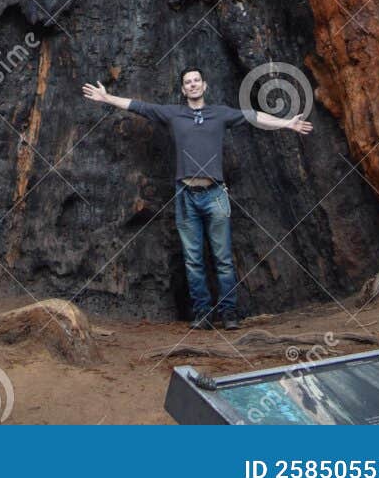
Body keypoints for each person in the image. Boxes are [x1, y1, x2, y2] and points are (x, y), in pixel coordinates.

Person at [82, 66, 313, 330]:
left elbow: (255, 116)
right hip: (185, 195)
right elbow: (139, 107)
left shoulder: (221, 113)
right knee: (193, 260)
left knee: (223, 258)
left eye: (196, 81)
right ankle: (202, 314)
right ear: (183, 89)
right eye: (187, 82)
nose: (192, 85)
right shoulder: (173, 114)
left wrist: (287, 122)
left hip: (215, 195)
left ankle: (229, 314)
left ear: (204, 86)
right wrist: (107, 97)